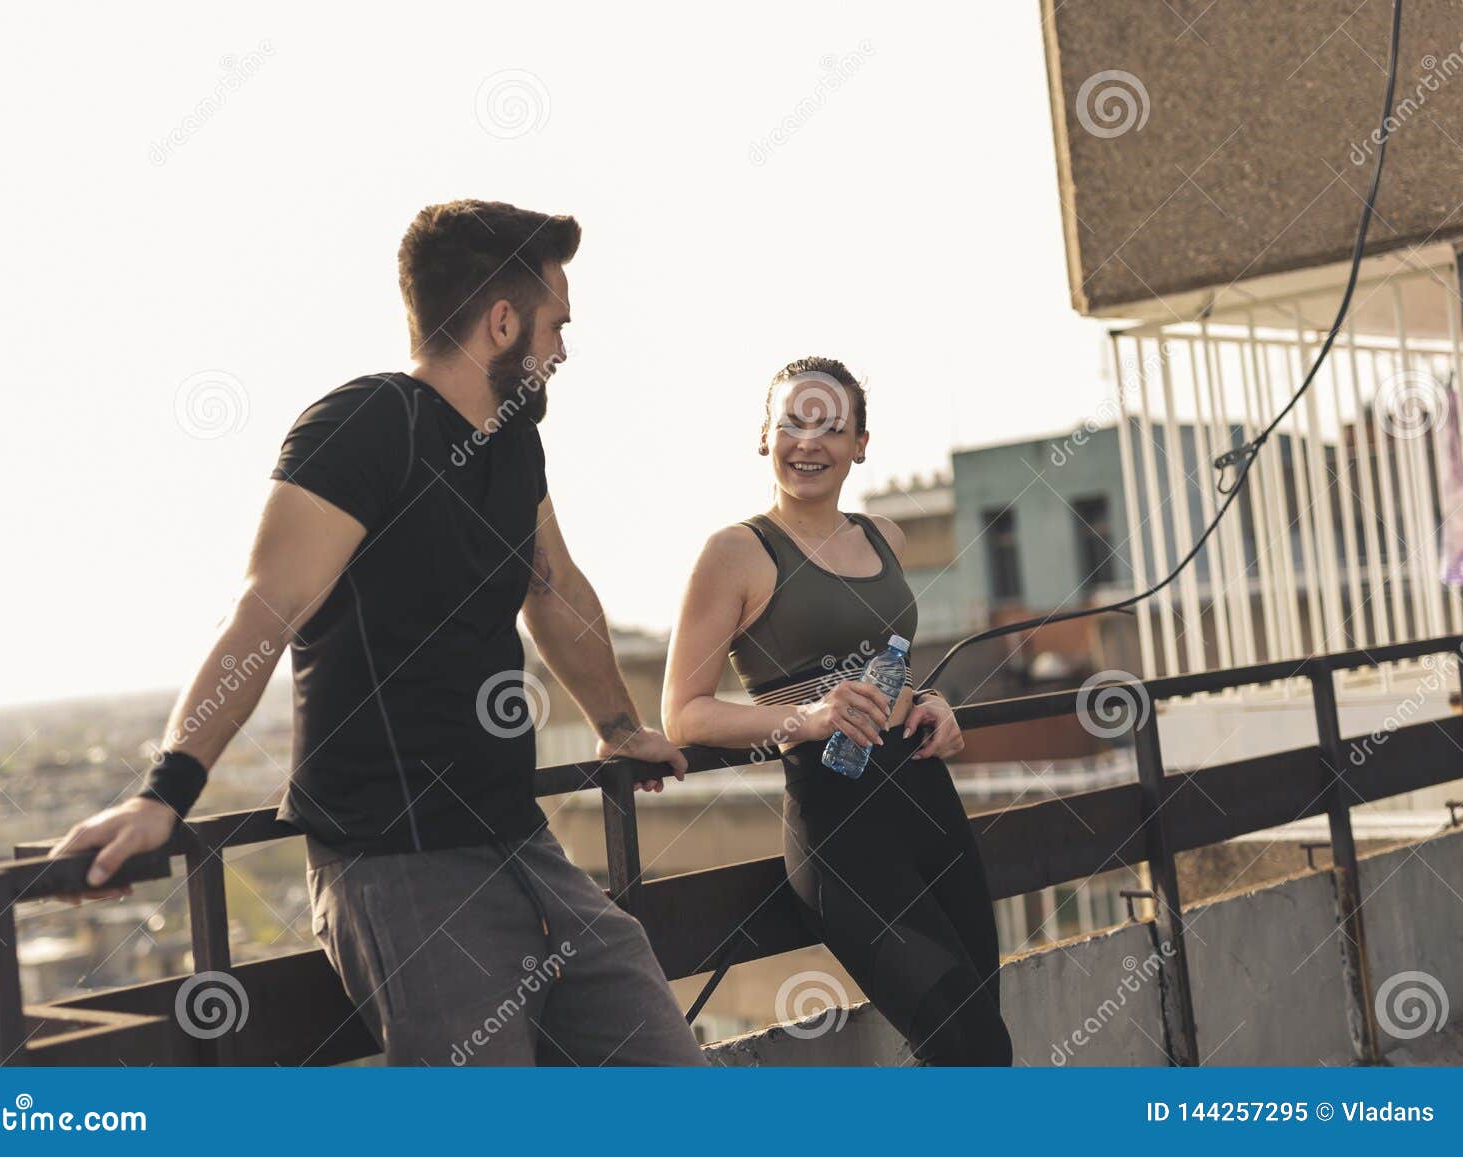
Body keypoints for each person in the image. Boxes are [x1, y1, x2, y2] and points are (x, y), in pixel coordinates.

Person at [49, 199, 707, 1067]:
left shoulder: (514, 446)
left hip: (518, 838)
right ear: (501, 321)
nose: (561, 352)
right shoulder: (363, 426)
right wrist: (165, 791)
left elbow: (554, 587)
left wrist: (619, 726)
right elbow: (264, 611)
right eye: (556, 326)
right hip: (398, 864)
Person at [661, 357, 1013, 1065]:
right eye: (792, 421)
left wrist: (932, 702)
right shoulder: (735, 552)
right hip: (843, 836)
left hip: (928, 804)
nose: (808, 441)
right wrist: (810, 716)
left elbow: (888, 665)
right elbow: (684, 714)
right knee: (966, 1045)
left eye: (830, 425)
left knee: (982, 1039)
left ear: (861, 443)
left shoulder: (887, 535)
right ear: (766, 435)